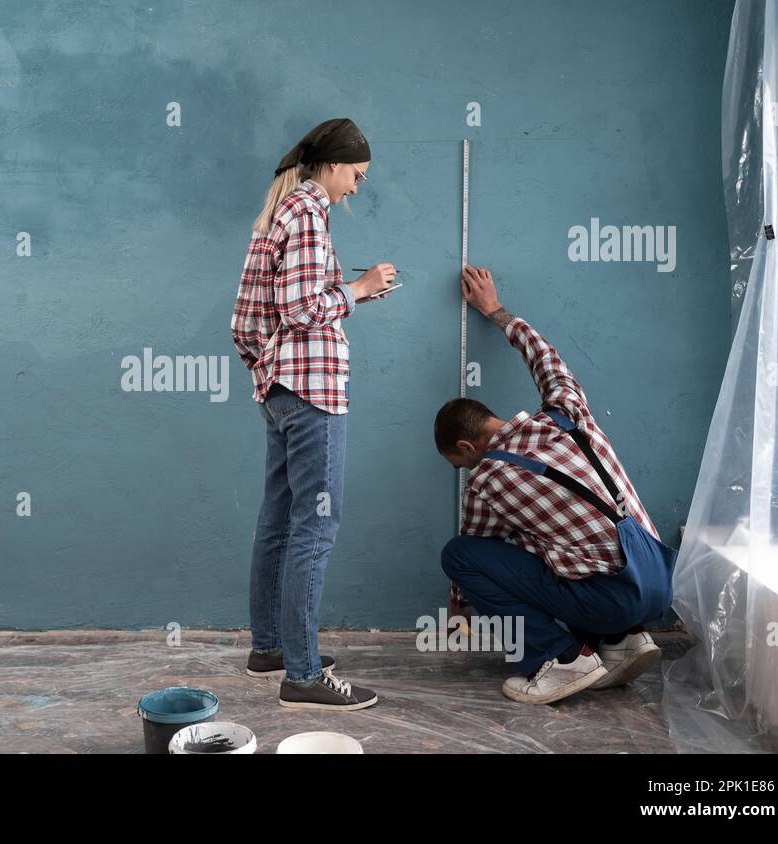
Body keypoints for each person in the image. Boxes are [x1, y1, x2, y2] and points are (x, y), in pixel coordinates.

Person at [435, 266, 677, 705]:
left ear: (469, 446)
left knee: (460, 556)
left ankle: (560, 659)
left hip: (610, 597)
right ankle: (623, 641)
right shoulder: (569, 411)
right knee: (551, 542)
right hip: (659, 580)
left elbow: (474, 548)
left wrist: (458, 601)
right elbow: (545, 357)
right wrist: (494, 309)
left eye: (460, 463)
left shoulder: (487, 480)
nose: (465, 471)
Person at [231, 117, 397, 710]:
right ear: (333, 164)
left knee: (278, 522)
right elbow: (302, 309)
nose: (356, 186)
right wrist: (360, 287)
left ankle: (271, 647)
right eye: (356, 173)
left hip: (282, 393)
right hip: (313, 393)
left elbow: (250, 319)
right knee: (314, 529)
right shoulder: (307, 210)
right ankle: (301, 676)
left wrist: (267, 372)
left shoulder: (280, 211)